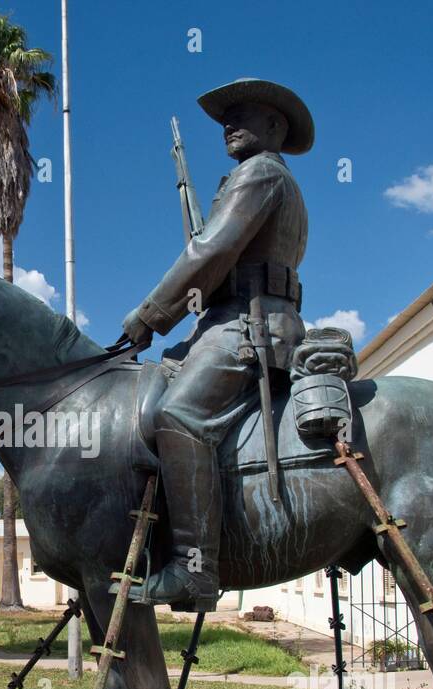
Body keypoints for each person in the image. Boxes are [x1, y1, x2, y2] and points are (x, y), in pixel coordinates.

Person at [121, 77, 313, 610]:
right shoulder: (263, 176)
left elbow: (212, 250)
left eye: (242, 115)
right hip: (233, 317)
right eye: (225, 119)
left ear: (275, 126)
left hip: (249, 324)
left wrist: (150, 315)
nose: (228, 126)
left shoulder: (261, 172)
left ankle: (192, 570)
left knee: (178, 416)